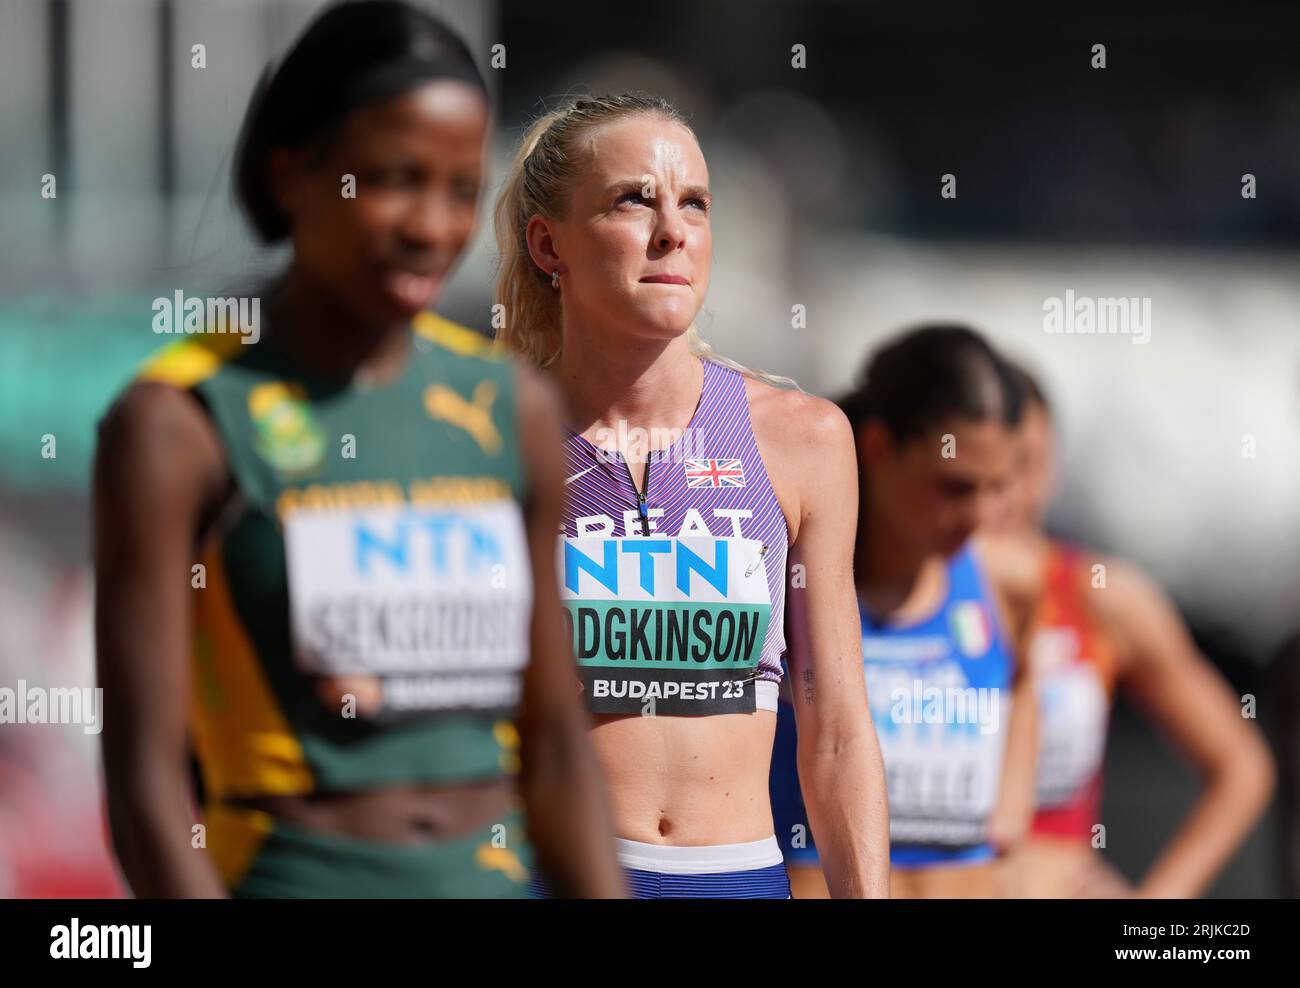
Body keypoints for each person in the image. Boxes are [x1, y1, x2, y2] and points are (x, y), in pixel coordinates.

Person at [94, 0, 622, 898]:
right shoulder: (177, 422)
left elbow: (559, 748)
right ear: (293, 173)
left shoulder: (512, 407)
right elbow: (145, 789)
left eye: (461, 189)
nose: (431, 226)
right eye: (392, 179)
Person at [494, 93, 889, 898]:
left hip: (733, 877)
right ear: (548, 245)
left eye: (696, 204)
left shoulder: (804, 439)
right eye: (633, 199)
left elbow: (838, 729)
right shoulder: (488, 437)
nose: (672, 230)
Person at [770, 324, 1040, 898]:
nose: (981, 514)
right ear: (876, 449)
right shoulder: (785, 577)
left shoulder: (1005, 581)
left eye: (998, 487)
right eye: (954, 488)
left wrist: (1011, 804)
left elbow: (1023, 679)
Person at [994, 361, 1275, 897]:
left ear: (1053, 465)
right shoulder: (884, 594)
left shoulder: (1096, 595)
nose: (1001, 490)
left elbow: (1241, 766)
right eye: (979, 465)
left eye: (1023, 463)